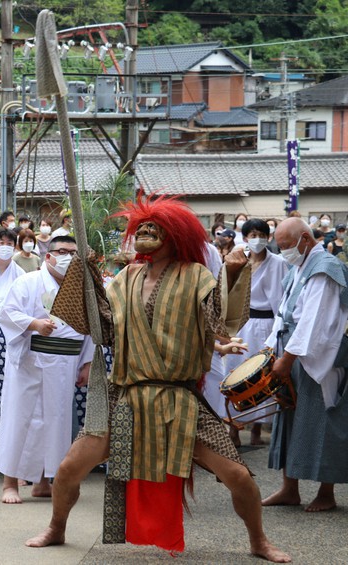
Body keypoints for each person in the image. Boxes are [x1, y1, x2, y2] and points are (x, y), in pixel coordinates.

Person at [26, 195, 290, 563]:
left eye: (156, 227)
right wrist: (85, 276)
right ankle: (57, 527)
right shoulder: (126, 277)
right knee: (70, 468)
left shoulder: (194, 275)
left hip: (179, 398)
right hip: (126, 396)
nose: (147, 232)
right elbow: (103, 326)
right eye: (143, 227)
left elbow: (221, 322)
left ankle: (259, 540)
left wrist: (230, 272)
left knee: (238, 475)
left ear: (175, 236)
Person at [0, 236, 93, 503]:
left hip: (65, 364)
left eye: (74, 253)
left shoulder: (82, 289)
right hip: (31, 360)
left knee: (55, 422)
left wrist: (87, 362)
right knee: (21, 419)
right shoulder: (27, 282)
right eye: (63, 252)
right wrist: (34, 324)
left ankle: (43, 482)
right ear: (48, 256)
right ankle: (9, 484)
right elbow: (8, 314)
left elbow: (89, 331)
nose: (69, 258)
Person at [262, 218, 348, 513]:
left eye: (286, 246)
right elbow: (283, 312)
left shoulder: (325, 268)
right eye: (281, 246)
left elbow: (314, 319)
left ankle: (326, 493)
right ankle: (290, 489)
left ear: (305, 239)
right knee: (287, 417)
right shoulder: (297, 267)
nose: (283, 251)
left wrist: (288, 357)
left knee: (322, 419)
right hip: (292, 349)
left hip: (317, 354)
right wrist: (271, 349)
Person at [223, 219, 288, 446]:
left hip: (267, 323)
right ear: (245, 237)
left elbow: (281, 298)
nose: (257, 238)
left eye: (261, 234)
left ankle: (257, 430)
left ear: (268, 237)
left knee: (262, 375)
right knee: (234, 371)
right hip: (241, 322)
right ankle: (233, 428)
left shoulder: (278, 262)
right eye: (252, 234)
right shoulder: (238, 260)